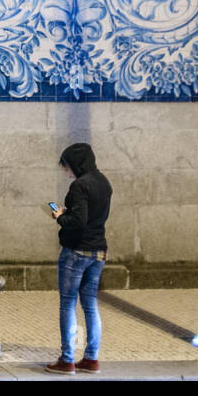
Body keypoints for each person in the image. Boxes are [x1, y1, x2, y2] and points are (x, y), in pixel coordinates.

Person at [47, 142, 113, 375]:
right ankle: (91, 359)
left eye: (67, 166)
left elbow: (78, 222)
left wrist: (59, 216)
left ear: (76, 163)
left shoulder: (79, 186)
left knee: (67, 304)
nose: (67, 171)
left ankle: (67, 360)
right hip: (99, 252)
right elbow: (93, 216)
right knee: (90, 305)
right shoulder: (104, 182)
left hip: (77, 252)